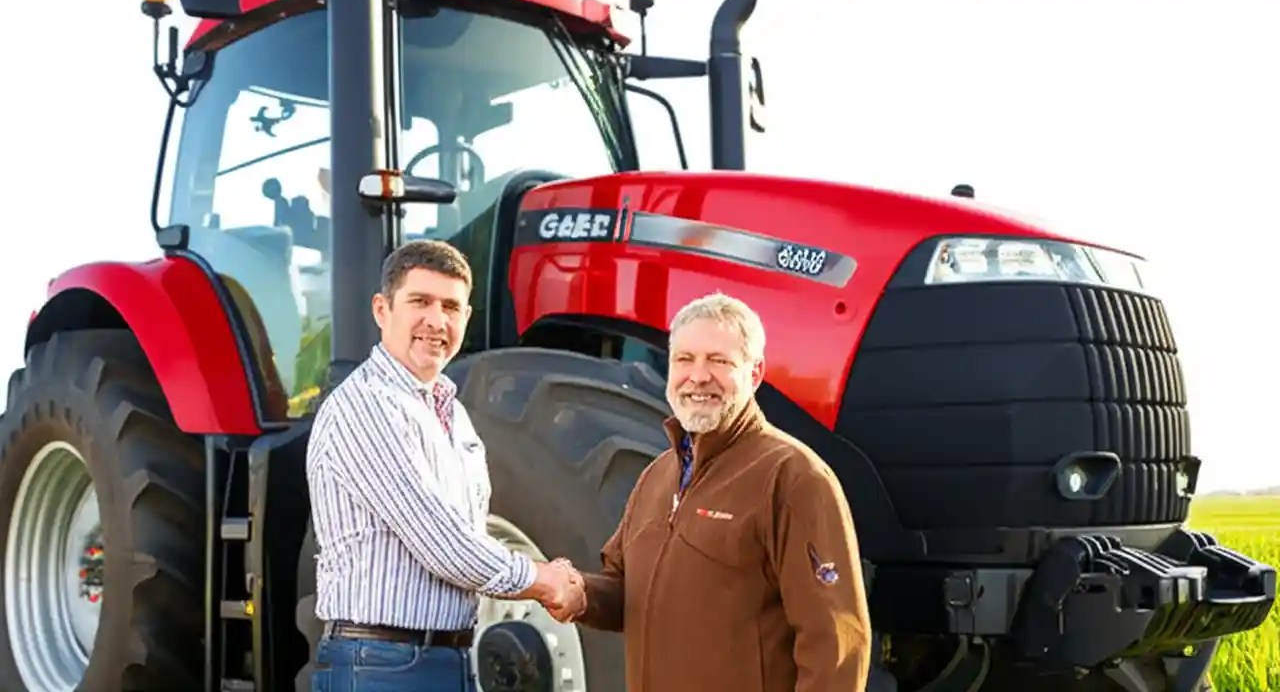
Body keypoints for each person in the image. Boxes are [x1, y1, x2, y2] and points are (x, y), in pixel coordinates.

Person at [556, 292, 873, 691]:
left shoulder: (794, 477)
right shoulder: (657, 476)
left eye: (719, 361)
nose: (699, 376)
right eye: (685, 359)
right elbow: (625, 589)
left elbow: (836, 645)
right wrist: (580, 594)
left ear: (755, 373)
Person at [304, 239, 584, 691]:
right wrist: (545, 580)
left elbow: (469, 534)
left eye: (451, 307)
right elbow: (444, 544)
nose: (436, 321)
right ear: (382, 310)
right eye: (420, 302)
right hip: (381, 666)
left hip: (447, 660)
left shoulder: (452, 412)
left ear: (466, 319)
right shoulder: (366, 406)